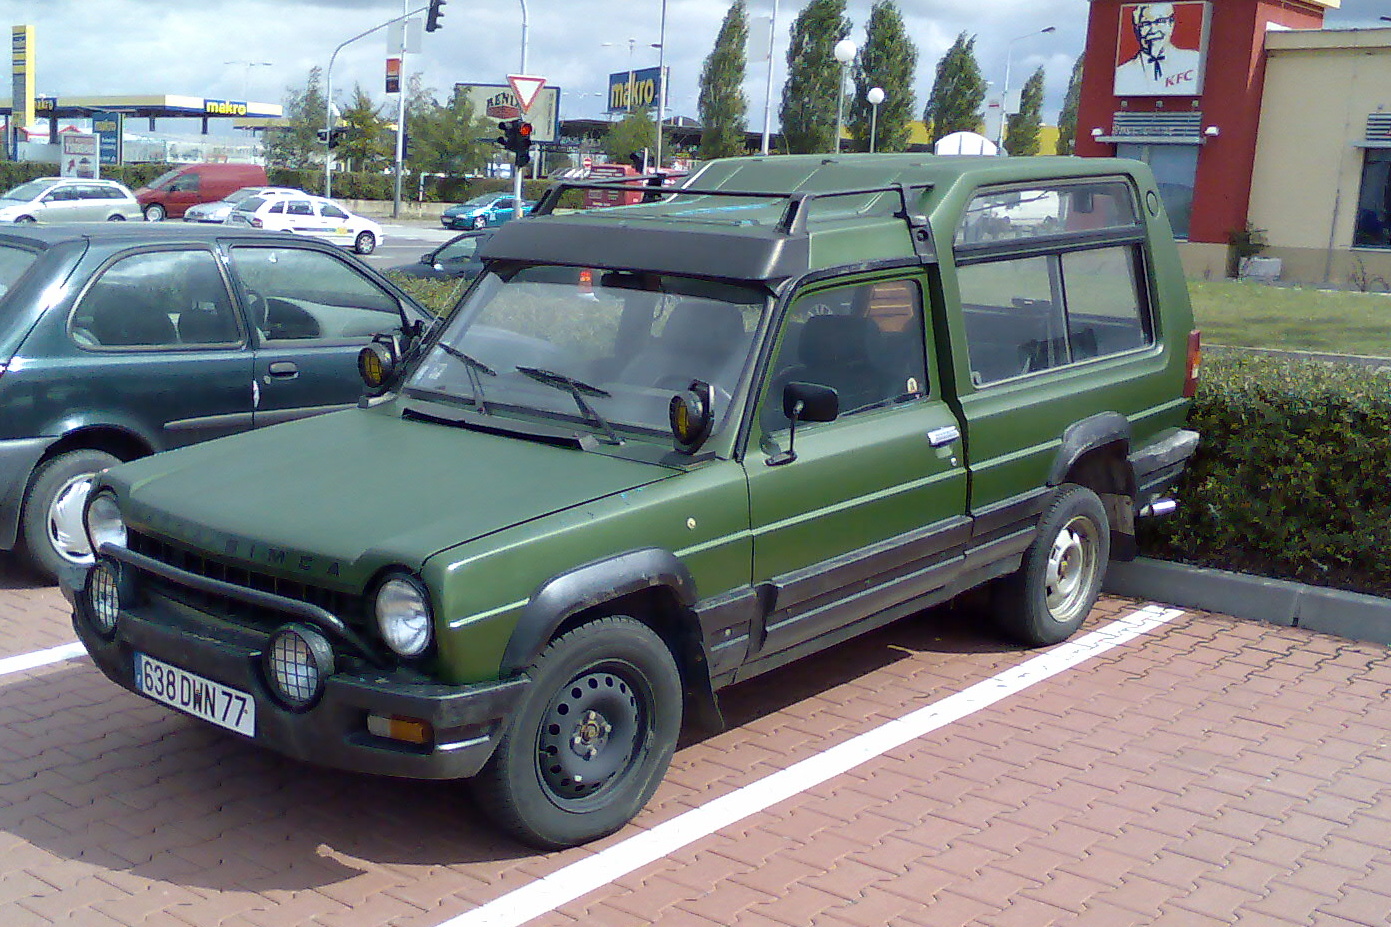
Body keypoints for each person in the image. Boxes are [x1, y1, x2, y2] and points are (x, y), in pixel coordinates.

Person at [1114, 2, 1204, 96]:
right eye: (1145, 24)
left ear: (1171, 24)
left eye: (1159, 21)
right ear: (1136, 29)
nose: (1153, 30)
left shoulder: (1194, 61)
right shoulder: (1121, 74)